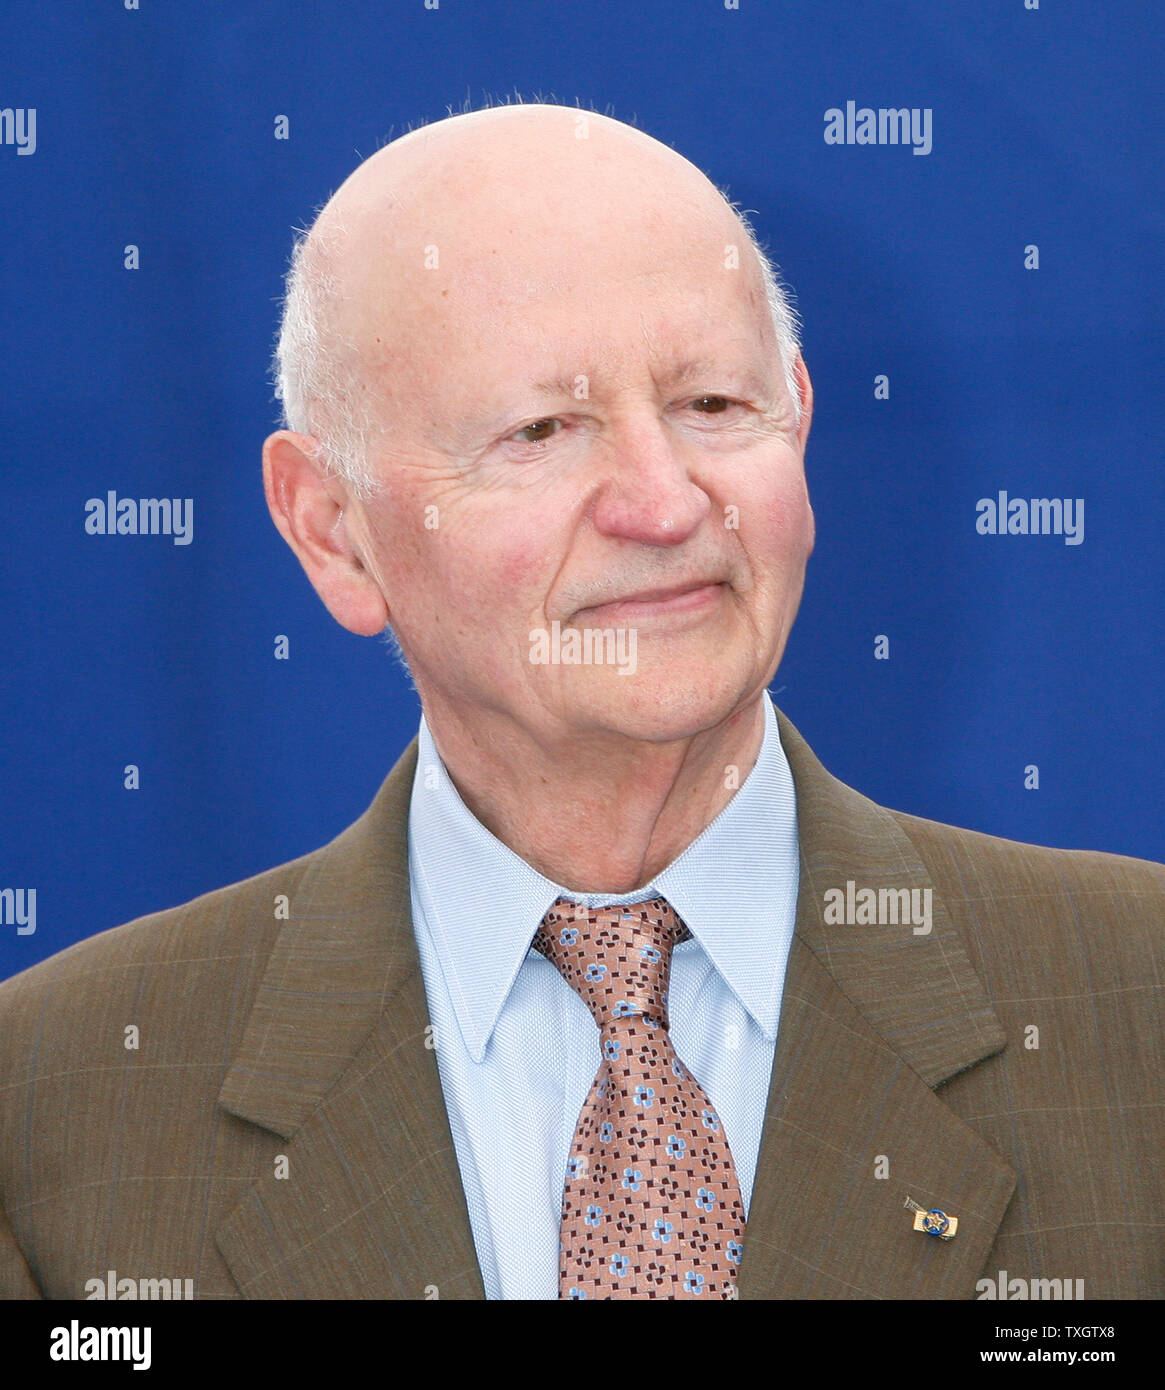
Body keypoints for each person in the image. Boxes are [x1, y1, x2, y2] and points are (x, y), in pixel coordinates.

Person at [0, 102, 1160, 1302]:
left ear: (799, 429)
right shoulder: (48, 1115)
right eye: (541, 429)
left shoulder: (1138, 1009)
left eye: (712, 405)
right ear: (332, 531)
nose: (662, 504)